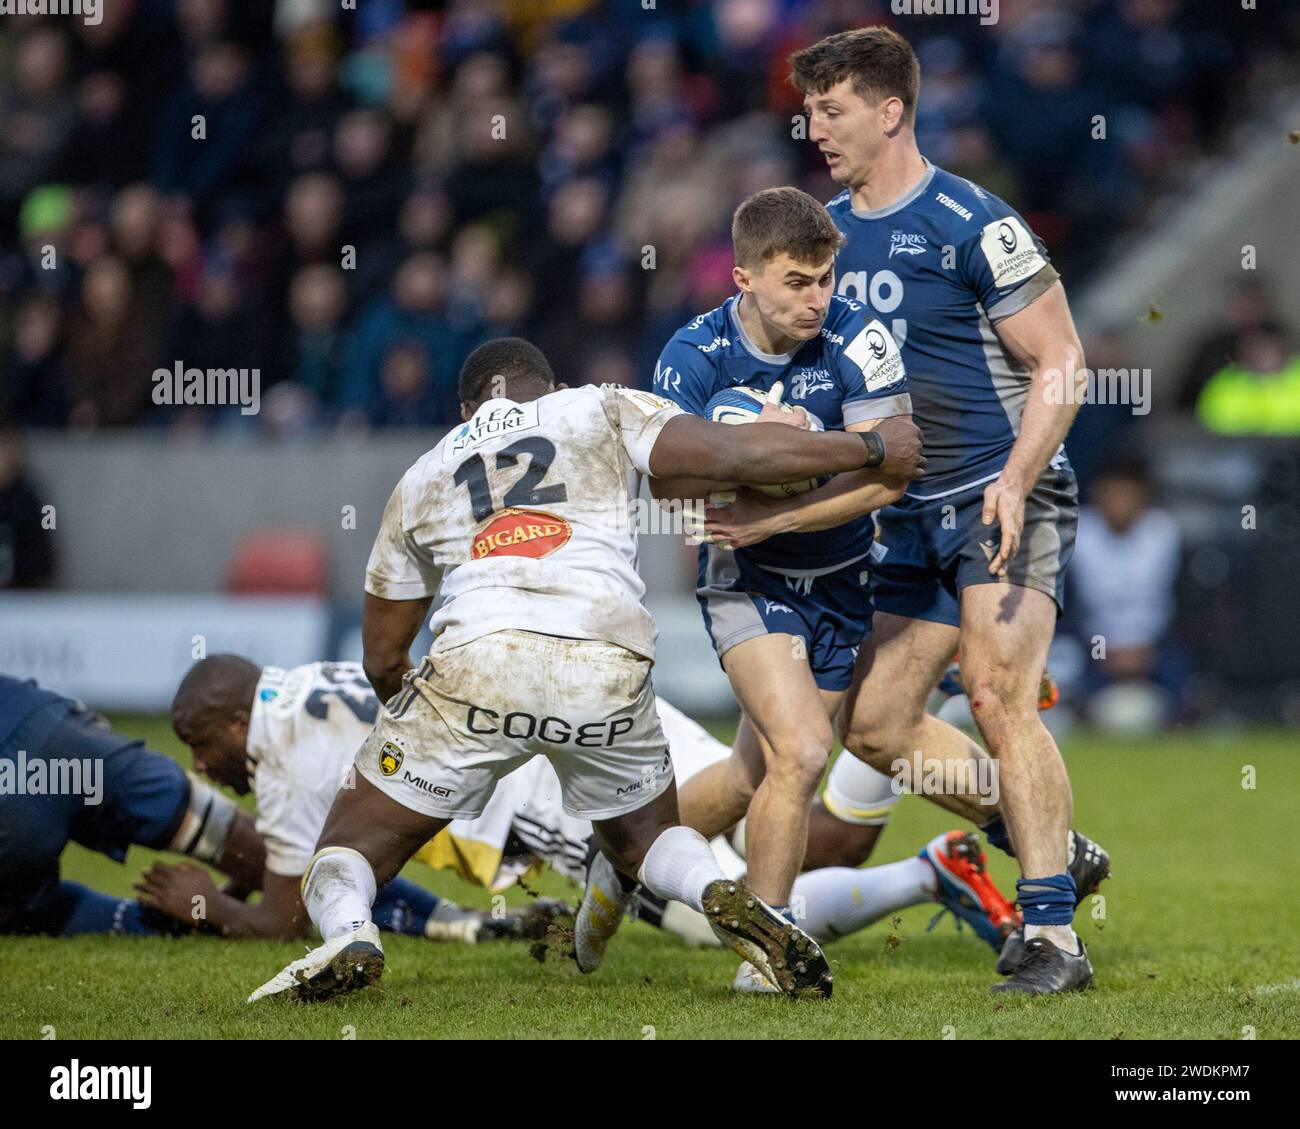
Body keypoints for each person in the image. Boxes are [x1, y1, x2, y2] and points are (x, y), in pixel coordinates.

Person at [249, 335, 919, 1004]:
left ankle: (350, 930)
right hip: (604, 655)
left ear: (466, 410)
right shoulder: (599, 407)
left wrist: (430, 739)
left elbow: (382, 654)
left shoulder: (426, 472)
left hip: (480, 656)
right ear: (552, 384)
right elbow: (732, 451)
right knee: (647, 838)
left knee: (349, 845)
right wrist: (870, 447)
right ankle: (718, 890)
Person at [785, 26, 1104, 993]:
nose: (815, 130)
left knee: (1001, 697)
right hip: (905, 513)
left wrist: (1015, 476)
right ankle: (1041, 836)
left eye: (831, 110)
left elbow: (1064, 361)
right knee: (877, 726)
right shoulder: (825, 242)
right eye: (809, 112)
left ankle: (1052, 935)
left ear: (889, 111)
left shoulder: (974, 221)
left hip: (1004, 496)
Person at [649, 186, 921, 943]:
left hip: (839, 578)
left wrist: (782, 504)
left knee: (748, 776)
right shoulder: (692, 355)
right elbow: (667, 481)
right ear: (745, 278)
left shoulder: (858, 338)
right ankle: (765, 947)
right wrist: (751, 455)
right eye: (797, 282)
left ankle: (624, 858)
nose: (817, 299)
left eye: (827, 278)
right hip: (746, 578)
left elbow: (892, 471)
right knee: (802, 751)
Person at [138, 655, 555, 942]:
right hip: (519, 760)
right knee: (345, 863)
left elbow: (285, 924)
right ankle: (458, 923)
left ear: (238, 726)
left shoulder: (281, 761)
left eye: (201, 745)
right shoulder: (304, 680)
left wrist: (208, 905)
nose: (198, 765)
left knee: (615, 868)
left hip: (505, 809)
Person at [0, 675, 262, 936]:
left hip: (30, 746)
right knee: (230, 836)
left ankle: (159, 923)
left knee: (20, 907)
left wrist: (220, 909)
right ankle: (175, 920)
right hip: (43, 726)